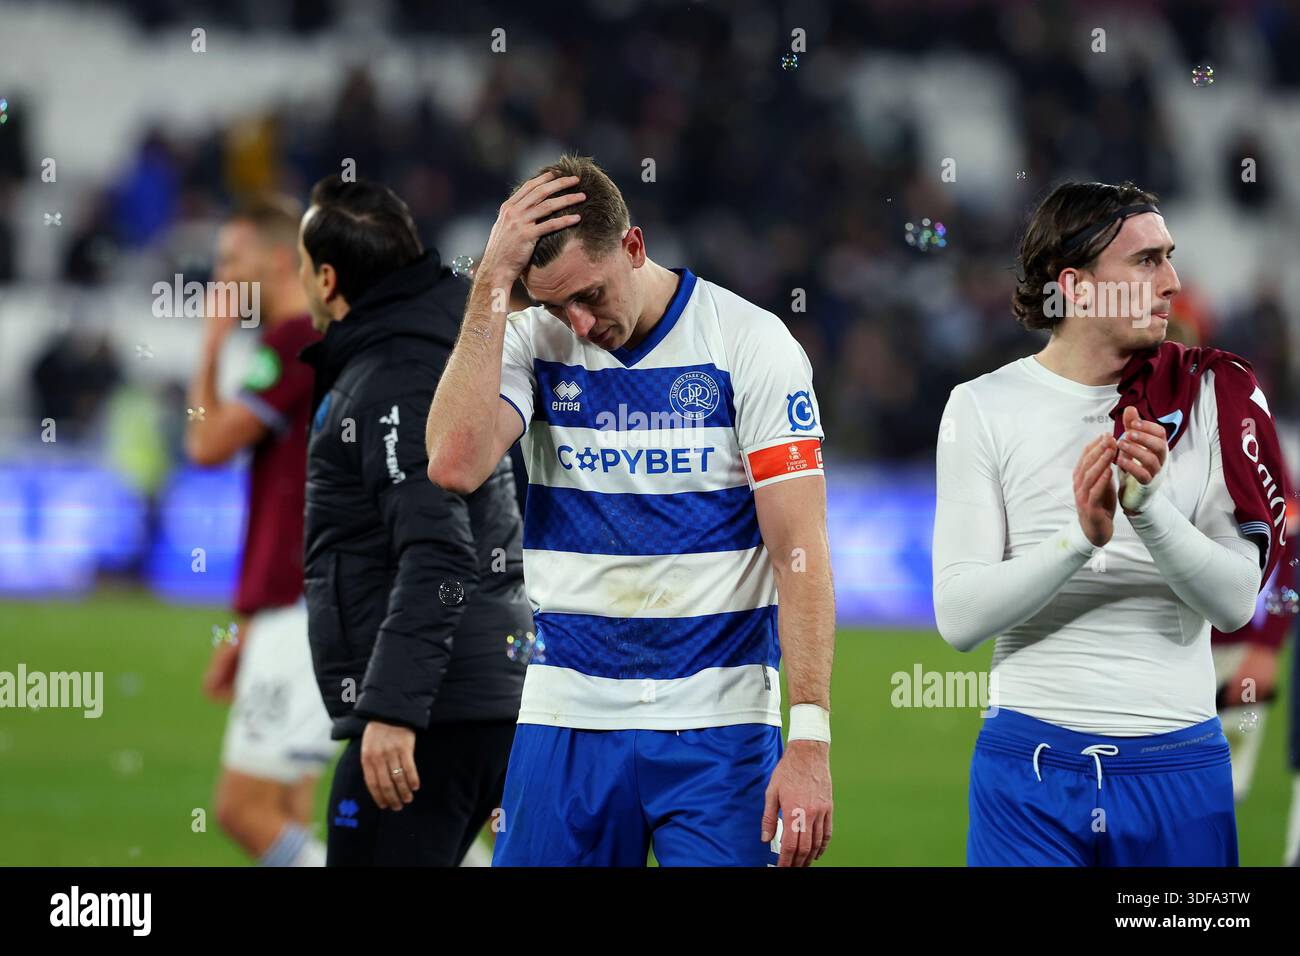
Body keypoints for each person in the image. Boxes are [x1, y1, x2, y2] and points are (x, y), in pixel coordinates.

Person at [425, 155, 835, 867]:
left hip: (721, 723)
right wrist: (491, 281)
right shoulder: (529, 340)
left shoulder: (749, 342)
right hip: (566, 714)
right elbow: (454, 463)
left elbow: (799, 550)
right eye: (554, 305)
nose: (579, 324)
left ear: (634, 247)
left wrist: (809, 741)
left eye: (587, 294)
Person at [933, 180, 1289, 866]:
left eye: (1170, 257)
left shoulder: (1214, 392)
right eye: (1147, 261)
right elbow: (958, 617)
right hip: (1029, 773)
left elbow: (1235, 603)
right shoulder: (982, 407)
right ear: (1079, 285)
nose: (1174, 281)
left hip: (1181, 771)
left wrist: (1149, 512)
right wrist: (1080, 539)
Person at [297, 175, 530, 866]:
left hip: (434, 714)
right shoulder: (446, 350)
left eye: (303, 264)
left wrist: (395, 709)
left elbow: (438, 553)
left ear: (329, 278)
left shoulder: (394, 373)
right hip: (482, 696)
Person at [186, 196, 334, 867]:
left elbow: (206, 446)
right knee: (289, 806)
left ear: (276, 261)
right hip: (311, 601)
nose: (220, 279)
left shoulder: (290, 339)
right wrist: (247, 628)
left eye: (230, 261)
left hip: (299, 608)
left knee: (242, 810)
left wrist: (212, 341)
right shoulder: (319, 339)